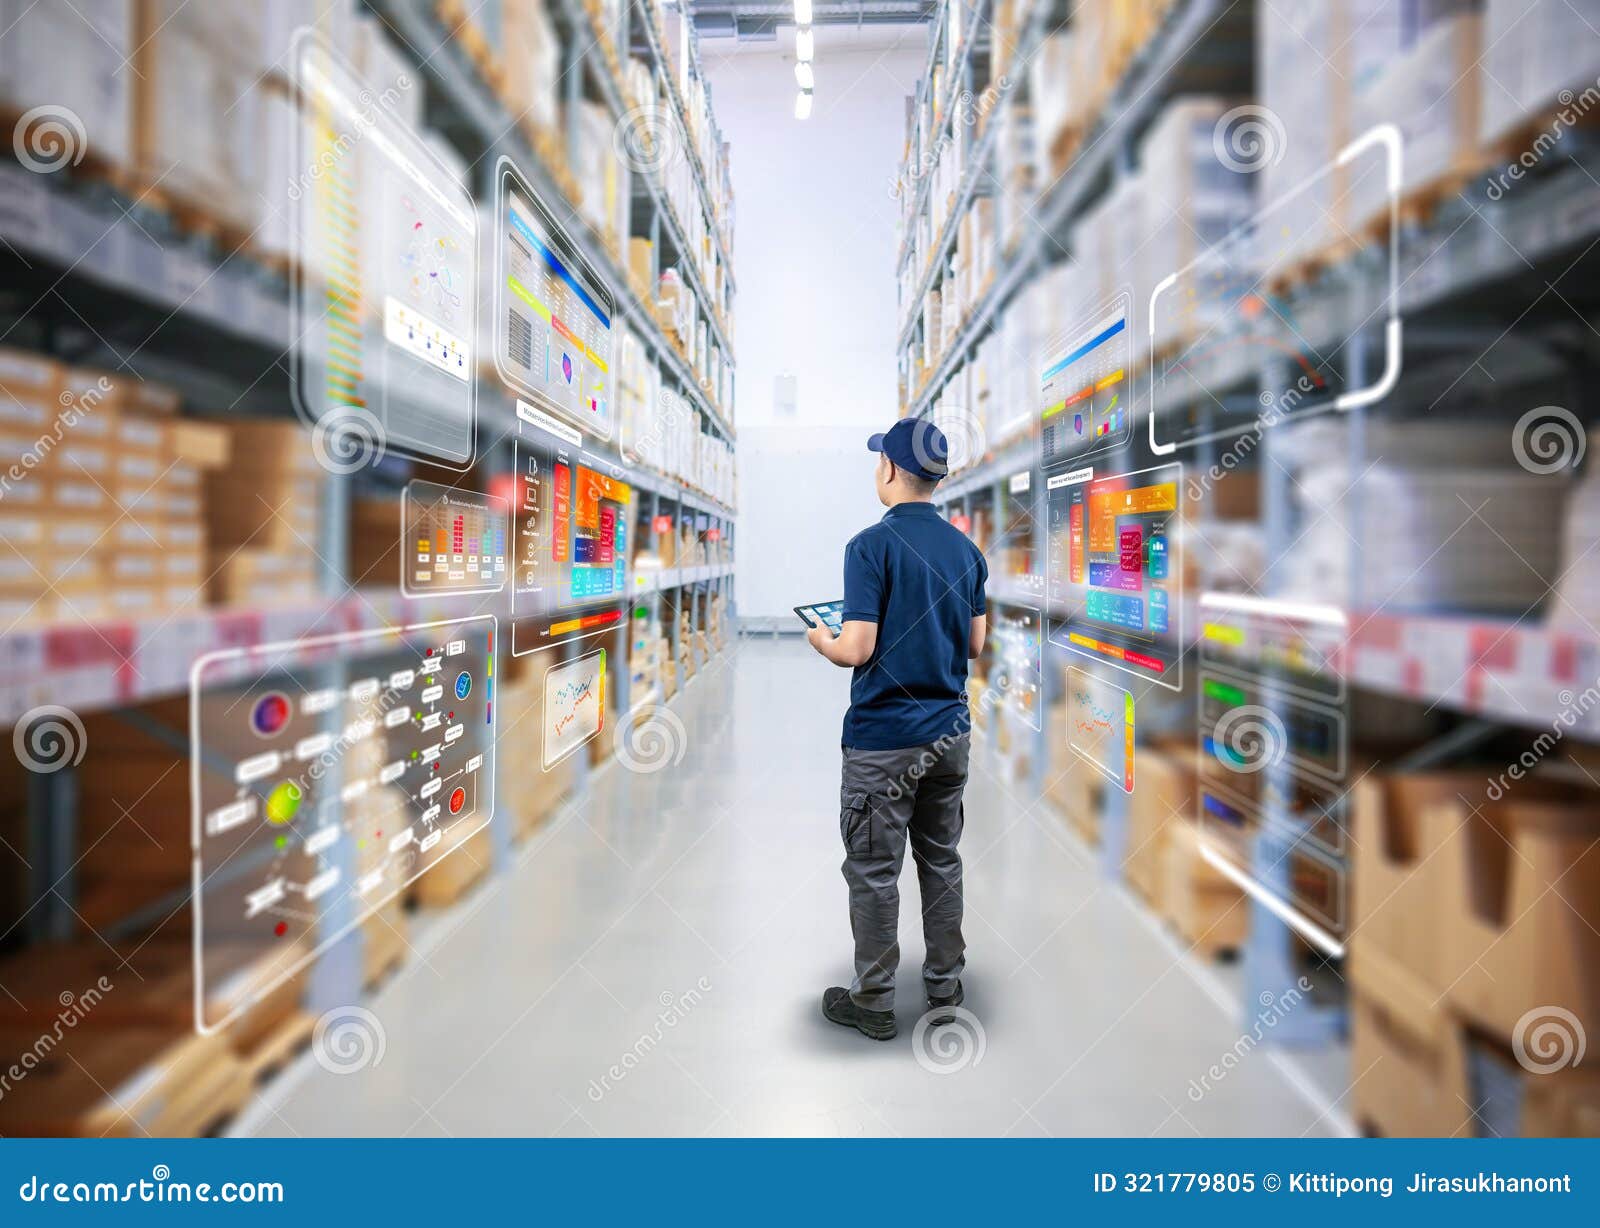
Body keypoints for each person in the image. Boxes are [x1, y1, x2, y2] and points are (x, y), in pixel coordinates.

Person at [806, 418, 988, 1041]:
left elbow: (857, 648)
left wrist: (821, 640)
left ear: (888, 469)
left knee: (875, 870)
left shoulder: (868, 547)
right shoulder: (967, 551)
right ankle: (944, 985)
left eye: (878, 459)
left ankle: (876, 1000)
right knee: (941, 860)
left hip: (885, 742)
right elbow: (976, 642)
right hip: (949, 736)